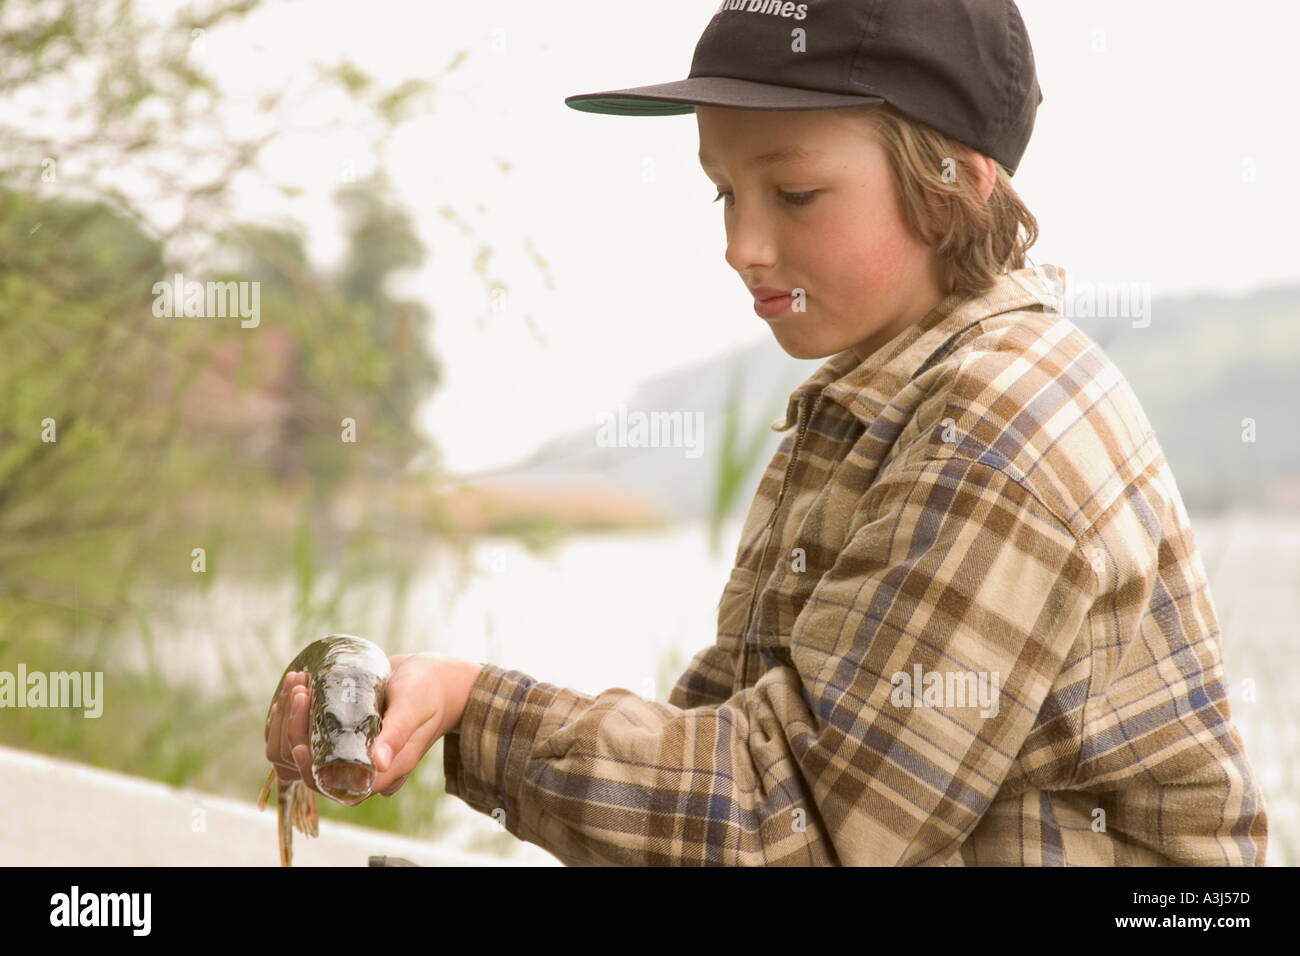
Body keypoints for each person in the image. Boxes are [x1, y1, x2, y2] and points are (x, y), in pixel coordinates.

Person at [266, 0, 1268, 865]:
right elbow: (720, 743)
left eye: (793, 193)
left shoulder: (1002, 424)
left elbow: (796, 824)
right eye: (723, 191)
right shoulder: (866, 401)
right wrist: (433, 702)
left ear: (953, 183)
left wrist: (477, 709)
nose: (741, 245)